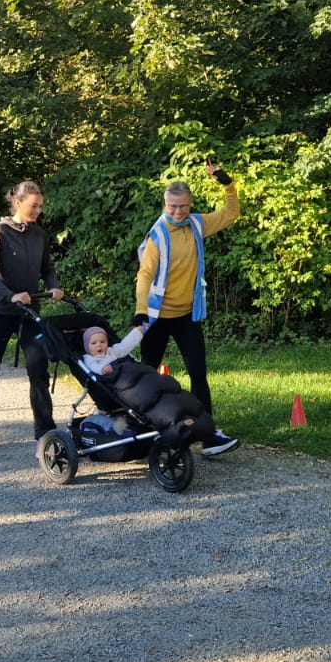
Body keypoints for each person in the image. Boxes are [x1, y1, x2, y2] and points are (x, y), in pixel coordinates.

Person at [133, 163, 241, 456]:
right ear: (164, 204)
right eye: (172, 207)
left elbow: (232, 214)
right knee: (148, 375)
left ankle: (208, 436)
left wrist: (227, 185)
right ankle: (142, 432)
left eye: (182, 206)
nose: (178, 212)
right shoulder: (158, 235)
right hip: (156, 317)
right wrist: (141, 309)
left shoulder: (196, 223)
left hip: (185, 315)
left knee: (198, 372)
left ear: (190, 204)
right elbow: (144, 275)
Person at [0, 181, 65, 454]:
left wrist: (53, 286)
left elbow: (47, 267)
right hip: (0, 313)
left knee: (38, 370)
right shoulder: (0, 231)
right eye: (34, 205)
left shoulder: (39, 235)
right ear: (18, 203)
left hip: (30, 313)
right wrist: (9, 295)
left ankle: (44, 433)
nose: (38, 210)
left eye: (41, 206)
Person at [78, 325, 213, 449]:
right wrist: (102, 369)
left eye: (102, 341)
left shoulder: (113, 352)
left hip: (135, 374)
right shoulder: (89, 359)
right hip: (118, 380)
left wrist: (138, 331)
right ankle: (172, 423)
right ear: (87, 346)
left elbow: (126, 345)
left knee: (163, 388)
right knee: (150, 398)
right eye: (94, 343)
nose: (99, 345)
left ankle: (192, 416)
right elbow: (93, 368)